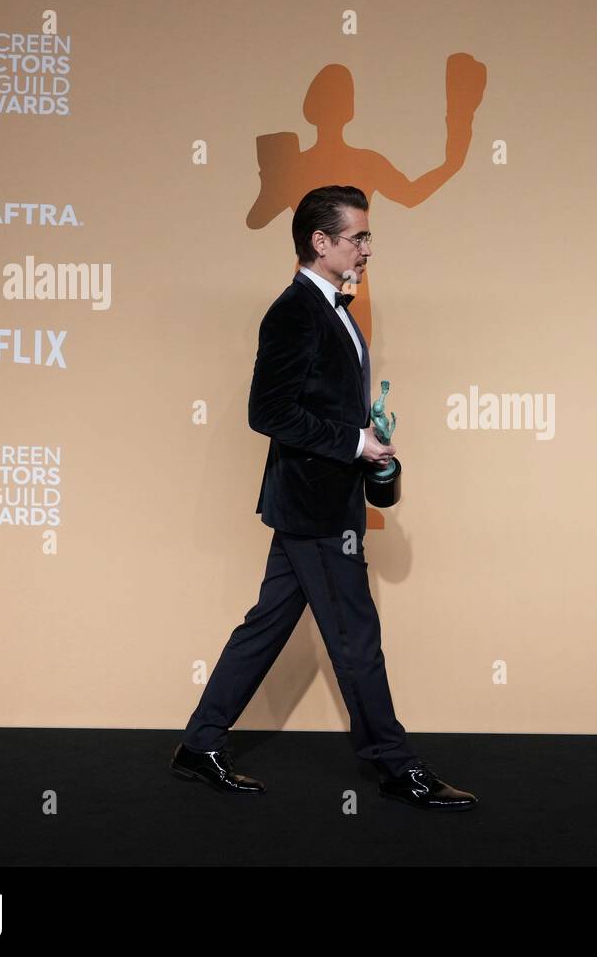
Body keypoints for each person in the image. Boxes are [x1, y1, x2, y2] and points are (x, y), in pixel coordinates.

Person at [172, 185, 476, 811]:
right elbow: (269, 412)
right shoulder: (293, 312)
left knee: (265, 627)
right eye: (358, 237)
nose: (368, 248)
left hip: (317, 502)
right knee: (356, 635)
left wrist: (367, 434)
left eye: (368, 236)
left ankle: (199, 746)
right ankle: (397, 768)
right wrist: (351, 442)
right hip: (314, 508)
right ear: (320, 242)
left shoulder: (336, 308)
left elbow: (317, 400)